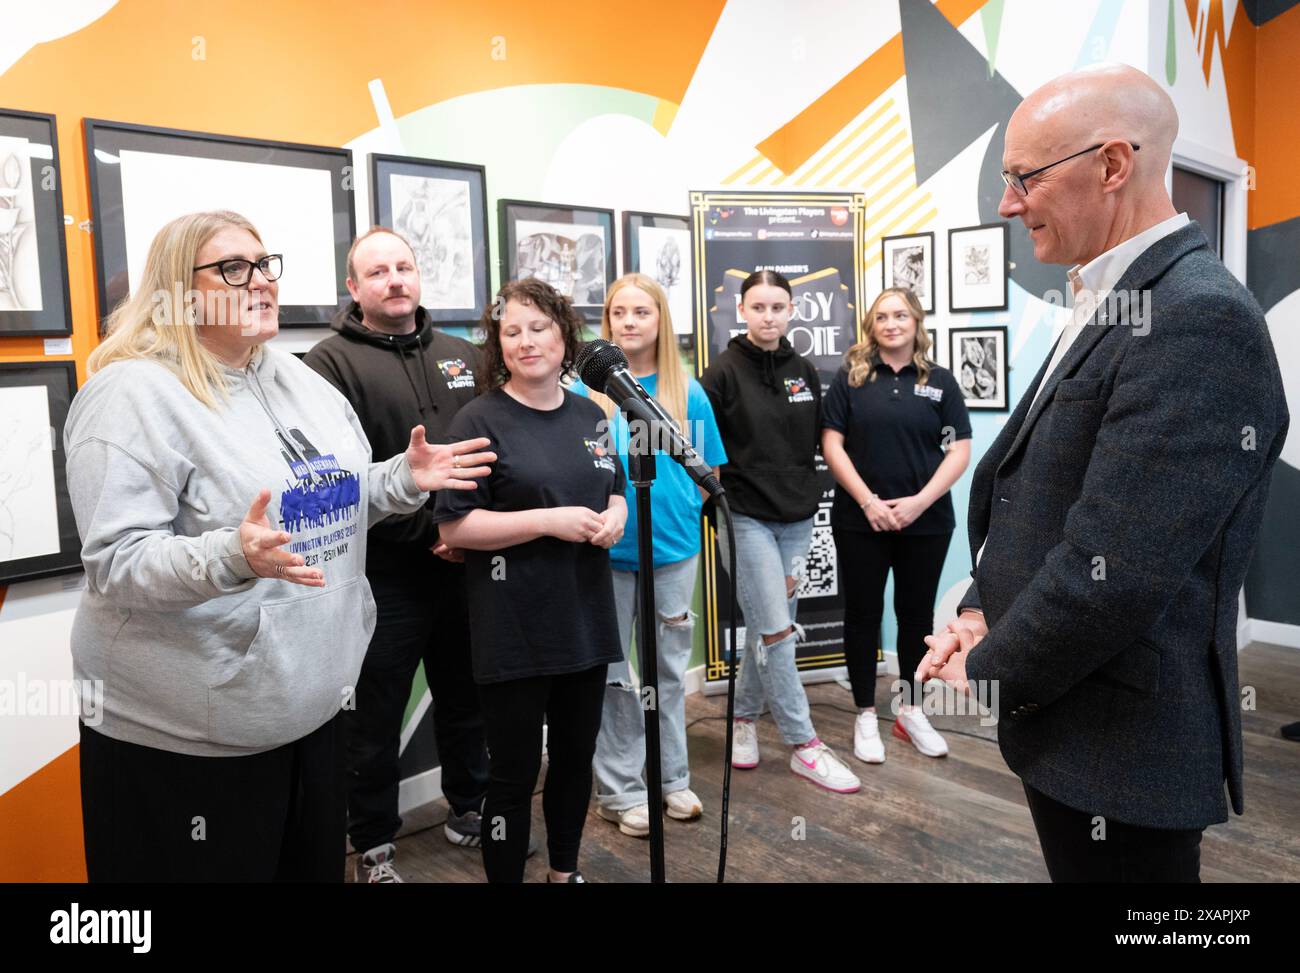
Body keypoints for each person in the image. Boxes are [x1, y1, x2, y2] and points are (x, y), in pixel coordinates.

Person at [919, 64, 1289, 882]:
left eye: (1024, 178)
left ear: (1113, 165)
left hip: (1125, 747)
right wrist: (983, 608)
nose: (1007, 203)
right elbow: (1046, 496)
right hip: (1070, 717)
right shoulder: (1116, 291)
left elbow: (1112, 572)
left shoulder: (1199, 318)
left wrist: (980, 671)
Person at [67, 210, 494, 882]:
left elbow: (333, 495)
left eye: (265, 264)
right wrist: (230, 556)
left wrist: (401, 479)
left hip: (309, 712)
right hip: (191, 741)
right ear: (177, 288)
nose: (261, 280)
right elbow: (116, 563)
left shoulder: (296, 377)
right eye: (233, 268)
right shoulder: (131, 394)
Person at [304, 227, 494, 883]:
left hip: (467, 565)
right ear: (354, 288)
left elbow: (494, 447)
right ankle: (375, 847)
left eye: (404, 266)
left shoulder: (463, 353)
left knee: (467, 699)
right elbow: (334, 477)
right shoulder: (326, 365)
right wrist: (430, 535)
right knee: (375, 717)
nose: (395, 279)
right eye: (378, 271)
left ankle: (469, 810)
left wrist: (465, 532)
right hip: (385, 575)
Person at [434, 278, 627, 883]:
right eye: (511, 331)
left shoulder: (590, 412)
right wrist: (548, 521)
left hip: (584, 621)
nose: (525, 341)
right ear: (498, 344)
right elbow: (457, 528)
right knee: (514, 777)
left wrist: (616, 515)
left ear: (564, 335)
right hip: (513, 627)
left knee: (576, 761)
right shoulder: (478, 418)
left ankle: (564, 871)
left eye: (538, 327)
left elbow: (613, 487)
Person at [572, 273, 727, 838]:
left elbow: (711, 473)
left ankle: (671, 778)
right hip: (606, 555)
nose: (630, 321)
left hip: (674, 551)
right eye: (619, 313)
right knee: (615, 674)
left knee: (664, 669)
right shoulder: (586, 398)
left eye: (642, 311)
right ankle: (621, 789)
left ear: (661, 320)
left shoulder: (688, 392)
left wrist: (685, 514)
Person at [700, 269, 860, 794]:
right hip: (745, 518)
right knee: (777, 631)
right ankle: (804, 745)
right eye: (758, 307)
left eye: (778, 307)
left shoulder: (805, 371)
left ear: (791, 311)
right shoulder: (719, 373)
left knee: (773, 628)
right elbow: (702, 453)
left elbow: (814, 443)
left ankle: (743, 717)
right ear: (741, 311)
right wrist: (718, 505)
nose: (768, 316)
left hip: (796, 521)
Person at [821, 287, 970, 764]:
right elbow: (832, 445)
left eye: (900, 315)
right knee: (862, 615)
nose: (891, 323)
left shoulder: (941, 382)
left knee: (915, 618)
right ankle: (866, 712)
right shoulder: (852, 379)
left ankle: (911, 710)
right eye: (881, 316)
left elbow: (960, 450)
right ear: (872, 325)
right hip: (860, 520)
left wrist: (918, 503)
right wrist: (869, 502)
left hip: (925, 524)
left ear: (915, 322)